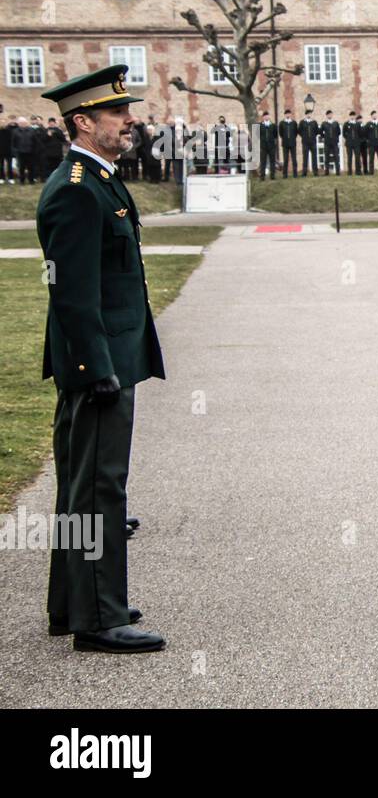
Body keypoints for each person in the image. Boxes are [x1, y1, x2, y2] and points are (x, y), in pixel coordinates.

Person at [36, 64, 166, 653]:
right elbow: (71, 292)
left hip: (108, 356)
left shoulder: (100, 179)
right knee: (98, 490)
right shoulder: (75, 188)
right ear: (83, 122)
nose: (128, 119)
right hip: (97, 365)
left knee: (86, 487)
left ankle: (76, 602)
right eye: (116, 113)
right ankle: (99, 618)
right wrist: (96, 368)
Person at [278, 109, 299, 177]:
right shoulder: (282, 123)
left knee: (294, 159)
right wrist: (285, 138)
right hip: (285, 144)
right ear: (285, 115)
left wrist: (292, 138)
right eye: (286, 114)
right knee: (286, 159)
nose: (288, 115)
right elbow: (280, 133)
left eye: (289, 114)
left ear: (290, 115)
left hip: (293, 143)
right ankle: (285, 174)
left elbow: (296, 132)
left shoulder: (294, 123)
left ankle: (295, 174)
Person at [259, 111, 279, 179]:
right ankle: (262, 176)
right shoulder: (260, 125)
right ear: (263, 117)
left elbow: (275, 135)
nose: (266, 117)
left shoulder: (273, 125)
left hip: (271, 146)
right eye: (265, 116)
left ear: (269, 117)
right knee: (263, 161)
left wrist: (274, 143)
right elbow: (257, 135)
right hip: (263, 146)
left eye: (267, 115)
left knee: (272, 161)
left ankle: (272, 175)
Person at [321, 110, 341, 175]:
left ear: (332, 115)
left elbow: (339, 132)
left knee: (336, 157)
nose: (329, 115)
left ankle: (338, 172)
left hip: (334, 143)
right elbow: (321, 132)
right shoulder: (324, 123)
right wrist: (324, 137)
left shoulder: (335, 123)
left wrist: (335, 138)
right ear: (326, 116)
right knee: (326, 157)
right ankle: (326, 172)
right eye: (328, 114)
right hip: (327, 143)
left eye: (330, 114)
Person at [342, 111, 361, 176]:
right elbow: (344, 133)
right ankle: (349, 172)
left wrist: (357, 140)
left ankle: (358, 171)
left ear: (355, 116)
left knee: (357, 157)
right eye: (351, 115)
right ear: (350, 116)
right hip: (349, 143)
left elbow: (360, 133)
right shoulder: (346, 124)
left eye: (353, 115)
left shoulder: (357, 124)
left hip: (356, 143)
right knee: (349, 157)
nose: (352, 116)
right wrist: (348, 138)